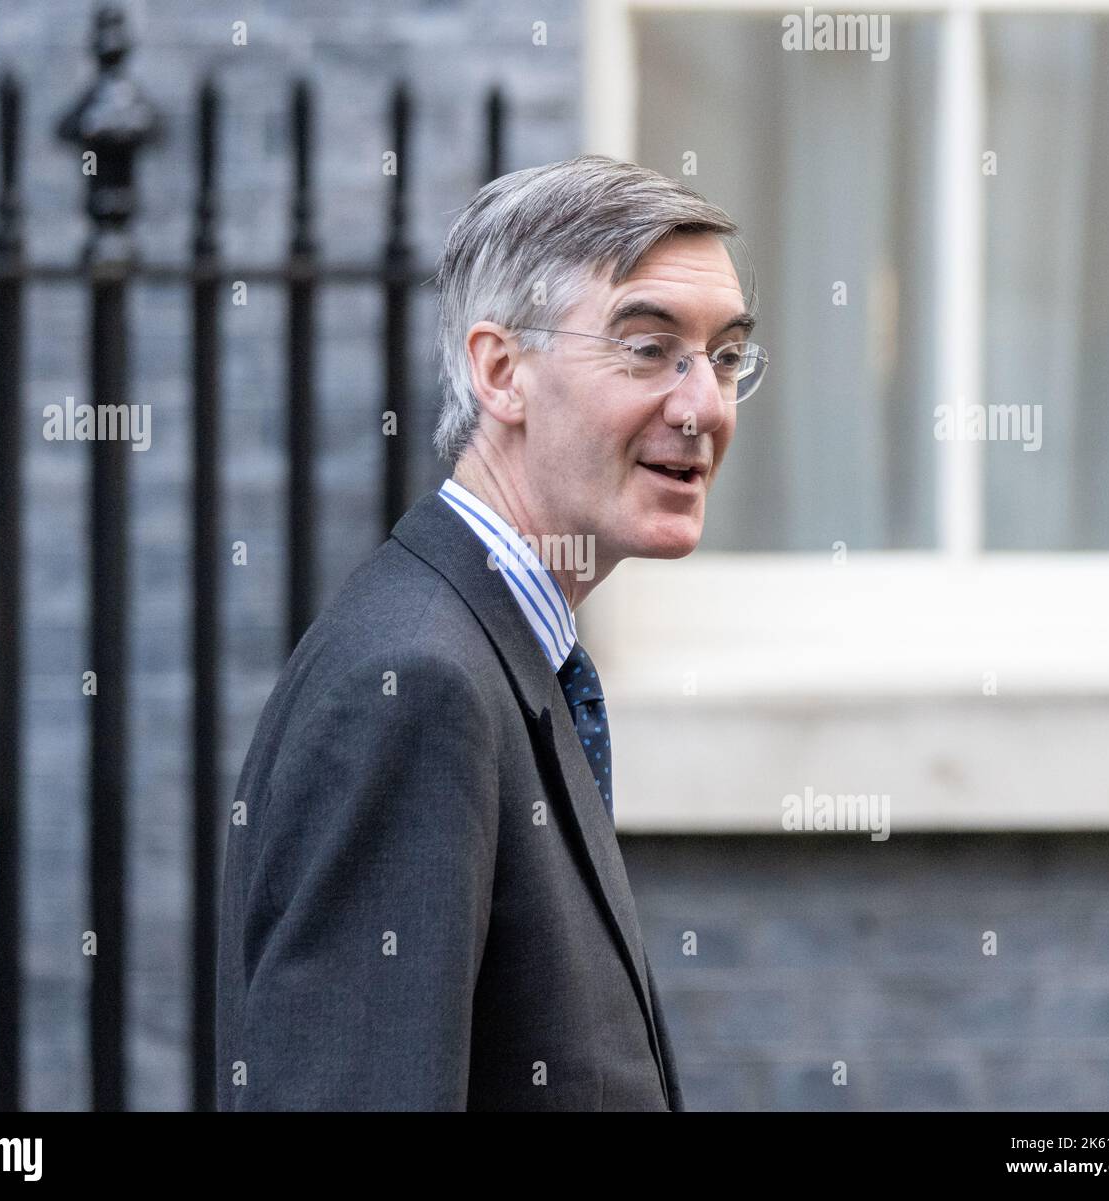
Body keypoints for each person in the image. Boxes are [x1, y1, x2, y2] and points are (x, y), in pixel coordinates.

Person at [216, 153, 766, 1110]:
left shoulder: (502, 655)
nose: (703, 406)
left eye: (724, 357)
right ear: (501, 371)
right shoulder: (419, 684)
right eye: (647, 348)